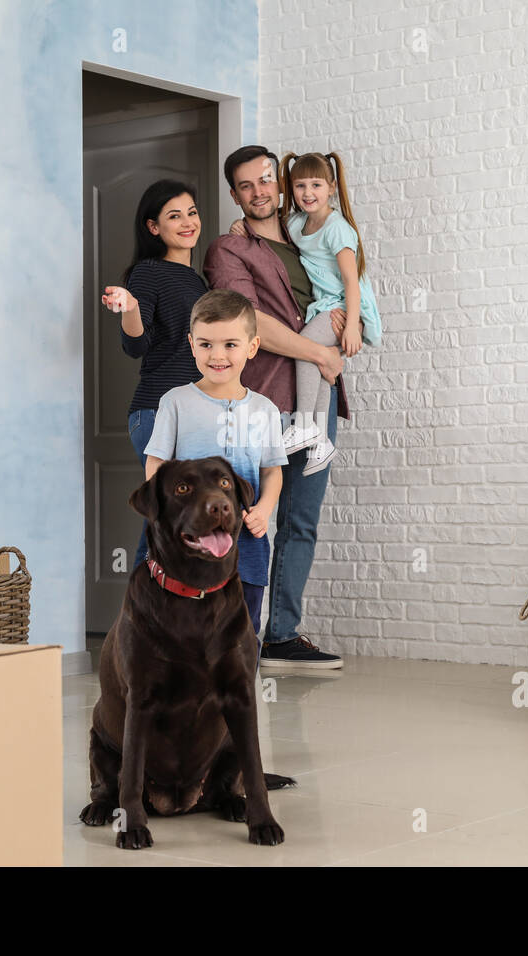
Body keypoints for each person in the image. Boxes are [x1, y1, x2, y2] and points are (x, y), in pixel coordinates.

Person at [203, 145, 351, 670]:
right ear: (234, 195)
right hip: (267, 398)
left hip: (319, 394)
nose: (259, 191)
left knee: (303, 518)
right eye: (246, 185)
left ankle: (282, 636)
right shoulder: (227, 250)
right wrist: (320, 353)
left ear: (279, 184)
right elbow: (250, 325)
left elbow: (342, 276)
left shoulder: (306, 234)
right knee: (251, 516)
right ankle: (232, 638)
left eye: (266, 180)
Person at [141, 289, 287, 632]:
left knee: (243, 631)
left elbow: (273, 472)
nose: (217, 355)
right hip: (189, 540)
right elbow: (155, 464)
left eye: (230, 345)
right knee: (184, 630)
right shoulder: (175, 402)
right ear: (192, 345)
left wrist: (264, 510)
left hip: (245, 543)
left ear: (252, 347)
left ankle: (239, 686)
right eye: (206, 344)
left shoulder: (264, 409)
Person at [233, 150, 382, 476]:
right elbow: (267, 223)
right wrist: (241, 225)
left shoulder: (337, 229)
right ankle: (319, 441)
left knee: (306, 348)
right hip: (324, 307)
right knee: (316, 356)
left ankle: (304, 424)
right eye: (300, 186)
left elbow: (351, 281)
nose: (308, 193)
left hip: (342, 307)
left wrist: (353, 325)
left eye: (316, 185)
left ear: (331, 188)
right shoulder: (297, 223)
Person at [102, 180, 209, 570]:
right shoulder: (148, 273)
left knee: (181, 524)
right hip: (158, 412)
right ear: (153, 227)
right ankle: (141, 622)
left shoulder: (198, 281)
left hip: (193, 412)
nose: (187, 222)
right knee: (166, 521)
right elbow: (136, 345)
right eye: (174, 216)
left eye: (191, 212)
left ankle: (166, 621)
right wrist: (129, 307)